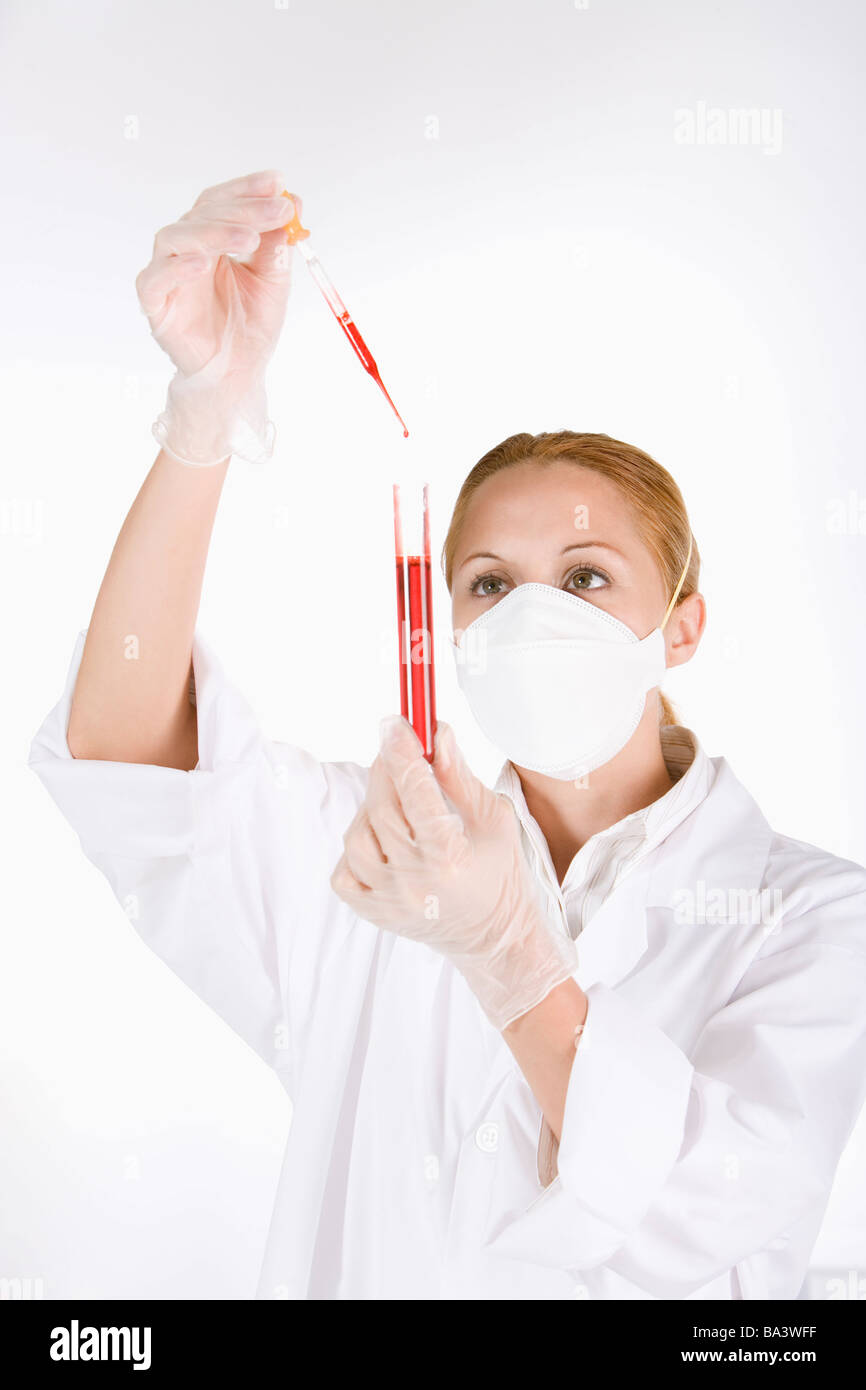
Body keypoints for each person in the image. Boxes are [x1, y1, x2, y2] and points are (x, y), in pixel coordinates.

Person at [29, 170, 866, 1301]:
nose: (532, 617)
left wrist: (507, 953)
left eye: (583, 576)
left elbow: (703, 1214)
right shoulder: (379, 854)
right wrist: (204, 415)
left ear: (681, 627)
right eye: (485, 584)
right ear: (447, 632)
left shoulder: (812, 918)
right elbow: (124, 748)